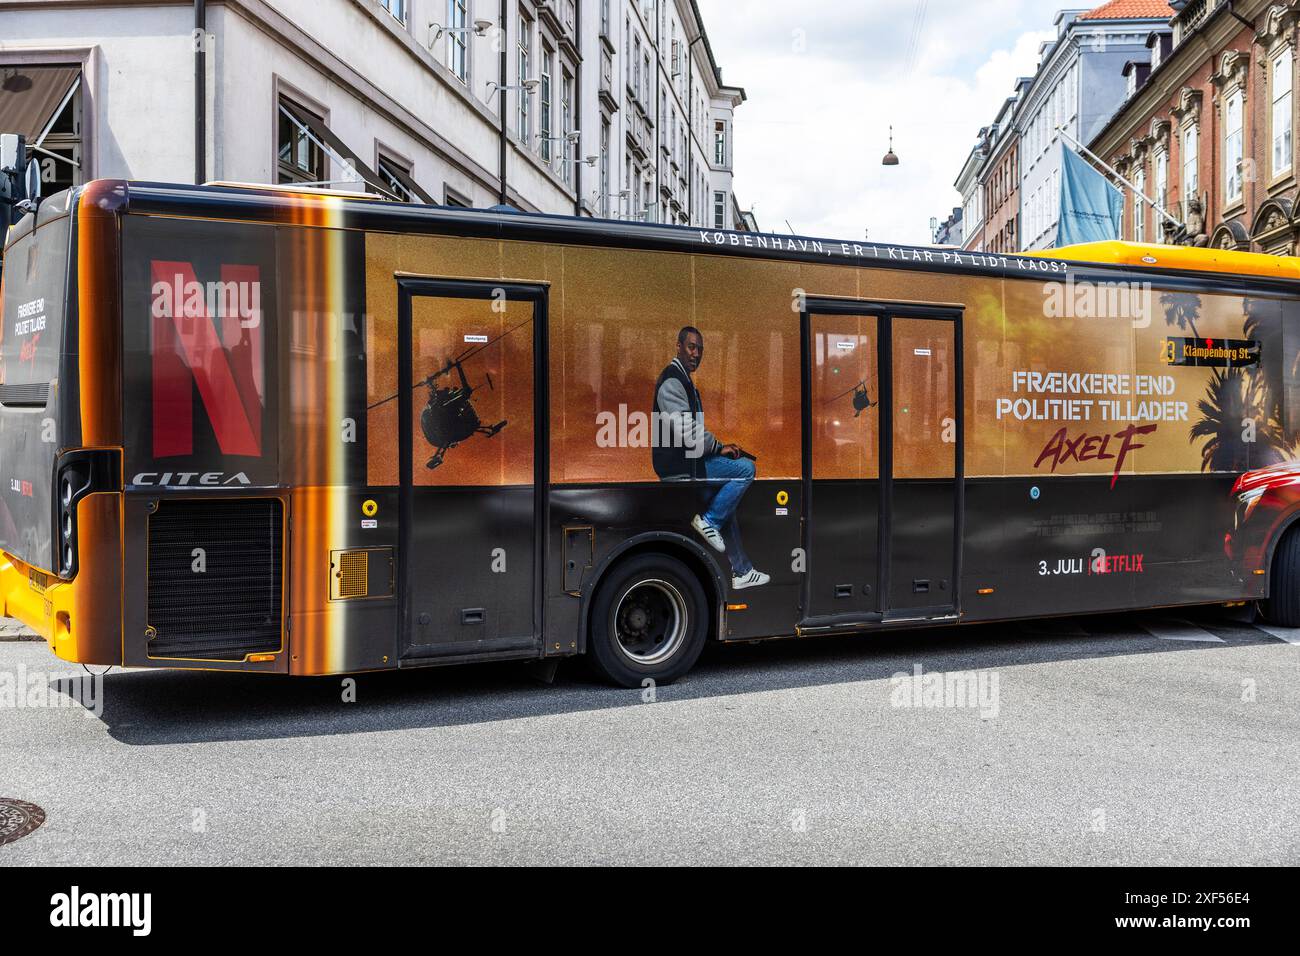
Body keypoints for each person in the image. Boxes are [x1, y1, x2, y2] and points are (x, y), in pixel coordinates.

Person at [652, 326, 770, 590]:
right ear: (678, 346)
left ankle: (741, 571)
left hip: (686, 460)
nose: (696, 354)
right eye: (691, 347)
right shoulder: (673, 381)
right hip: (680, 464)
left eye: (700, 349)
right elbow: (688, 433)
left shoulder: (683, 379)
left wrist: (719, 447)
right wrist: (718, 447)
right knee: (745, 470)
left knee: (724, 504)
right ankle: (708, 523)